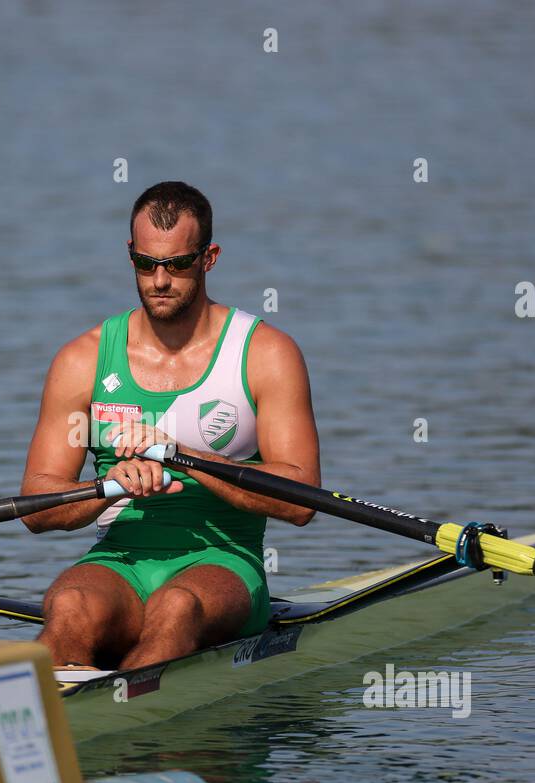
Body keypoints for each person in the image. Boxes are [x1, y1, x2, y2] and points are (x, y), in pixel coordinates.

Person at [20, 182, 321, 670]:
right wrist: (108, 487)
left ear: (209, 257)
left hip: (222, 560)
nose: (160, 280)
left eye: (178, 264)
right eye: (146, 263)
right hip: (119, 561)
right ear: (130, 254)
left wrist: (185, 457)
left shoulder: (266, 355)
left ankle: (135, 728)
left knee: (177, 607)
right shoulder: (82, 360)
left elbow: (302, 498)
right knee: (69, 609)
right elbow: (36, 503)